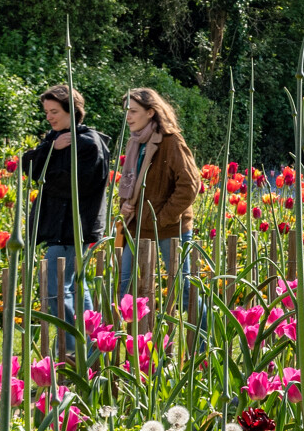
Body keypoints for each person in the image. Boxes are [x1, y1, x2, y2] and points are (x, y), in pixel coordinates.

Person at [20, 85, 110, 351]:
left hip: (73, 227)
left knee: (56, 289)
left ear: (73, 111)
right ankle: (91, 346)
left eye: (54, 111)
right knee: (73, 287)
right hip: (60, 227)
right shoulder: (56, 139)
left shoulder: (87, 143)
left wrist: (48, 157)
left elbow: (65, 184)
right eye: (46, 111)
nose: (49, 116)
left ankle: (72, 348)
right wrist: (51, 147)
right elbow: (28, 164)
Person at [114, 88, 203, 318]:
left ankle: (204, 346)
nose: (128, 117)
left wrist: (161, 218)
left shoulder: (171, 142)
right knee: (123, 288)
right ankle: (117, 347)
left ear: (151, 112)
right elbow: (130, 183)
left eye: (133, 111)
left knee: (183, 291)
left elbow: (189, 185)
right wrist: (124, 203)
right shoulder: (134, 142)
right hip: (136, 227)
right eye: (126, 112)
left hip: (169, 229)